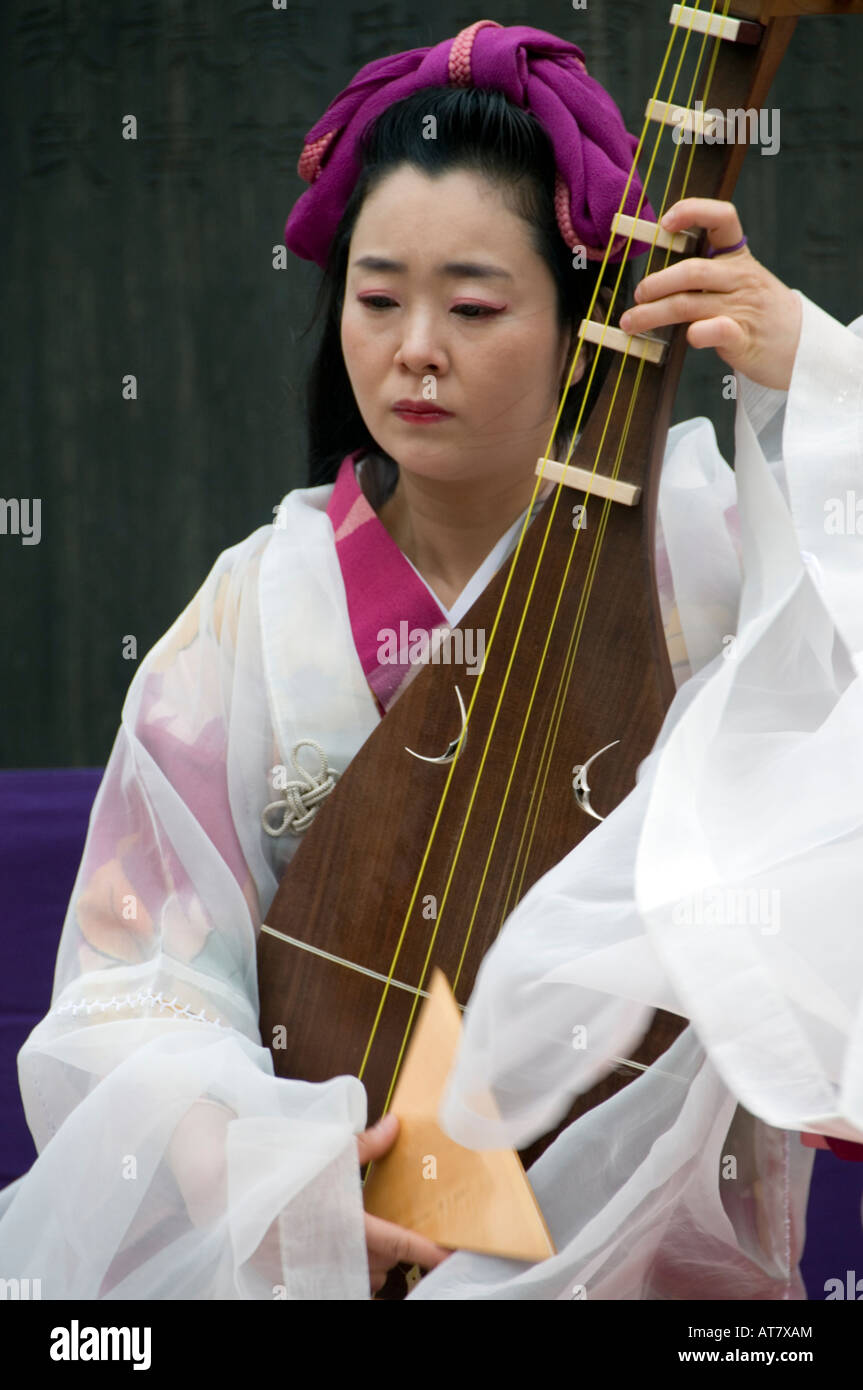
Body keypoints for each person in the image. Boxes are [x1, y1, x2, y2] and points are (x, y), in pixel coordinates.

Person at [0, 20, 861, 1301]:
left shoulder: (713, 545)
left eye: (471, 304)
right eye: (376, 295)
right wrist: (281, 1174)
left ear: (580, 320)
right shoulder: (256, 606)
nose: (414, 347)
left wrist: (819, 384)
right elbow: (139, 984)